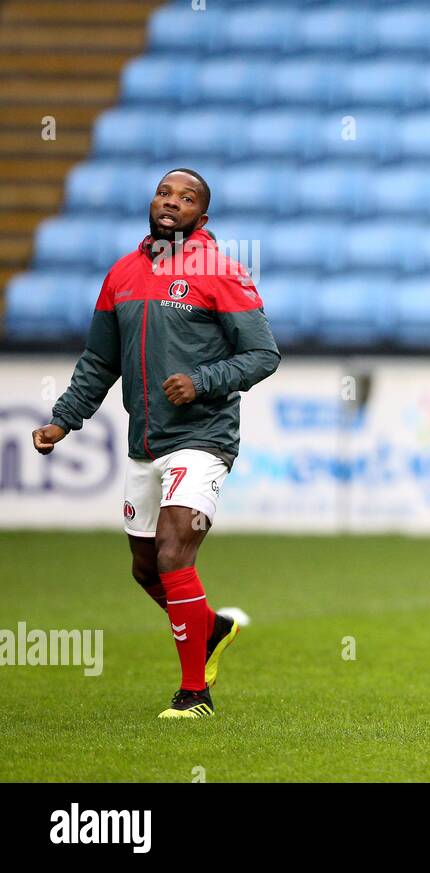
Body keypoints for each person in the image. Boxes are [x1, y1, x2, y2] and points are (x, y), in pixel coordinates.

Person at [31, 168, 281, 719]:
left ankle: (195, 695)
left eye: (186, 198)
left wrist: (203, 381)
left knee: (174, 549)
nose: (172, 203)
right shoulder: (122, 273)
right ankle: (210, 629)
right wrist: (63, 420)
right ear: (153, 203)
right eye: (165, 193)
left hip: (203, 438)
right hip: (145, 441)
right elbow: (101, 360)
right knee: (146, 568)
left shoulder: (220, 271)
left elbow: (263, 354)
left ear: (202, 217)